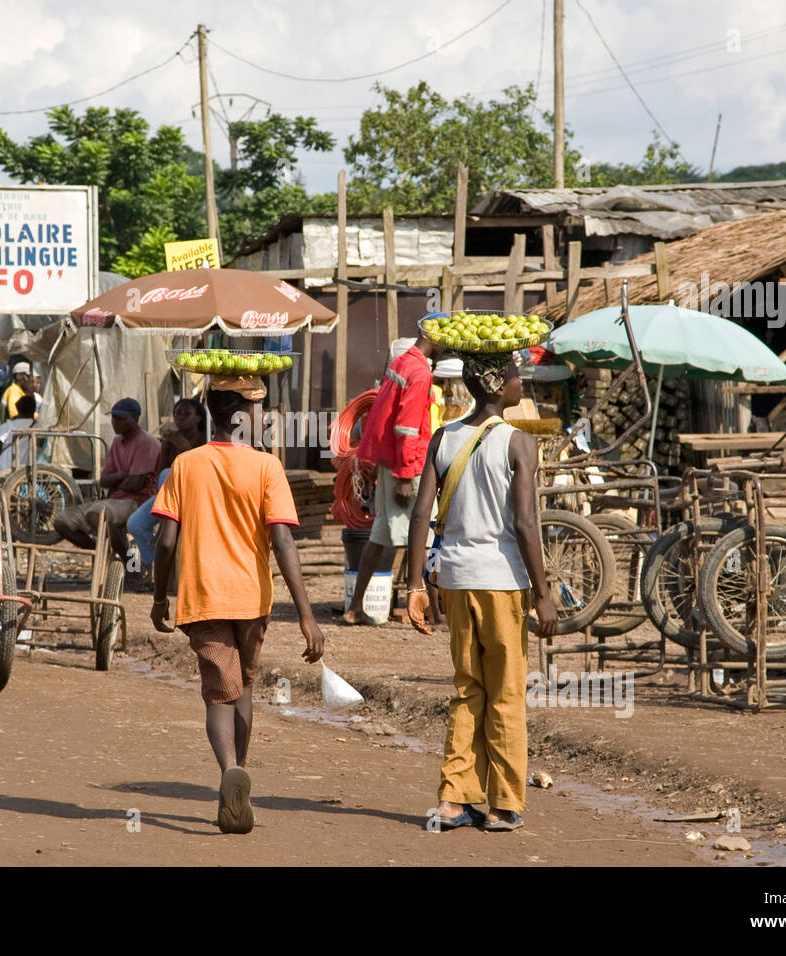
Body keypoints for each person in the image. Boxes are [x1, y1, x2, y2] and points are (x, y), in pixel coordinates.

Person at [150, 380, 325, 835]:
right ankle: (239, 769)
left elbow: (165, 541)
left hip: (203, 596)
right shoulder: (267, 467)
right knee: (243, 687)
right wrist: (306, 614)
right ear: (241, 416)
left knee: (217, 692)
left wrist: (158, 595)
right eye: (260, 410)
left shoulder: (185, 465)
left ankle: (230, 770)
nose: (265, 417)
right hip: (251, 598)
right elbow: (283, 540)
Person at [405, 353, 558, 833]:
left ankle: (454, 798)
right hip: (503, 582)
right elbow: (526, 523)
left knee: (467, 688)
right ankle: (503, 804)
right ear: (498, 383)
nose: (520, 384)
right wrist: (543, 593)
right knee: (506, 694)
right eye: (516, 376)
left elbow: (419, 515)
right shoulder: (519, 443)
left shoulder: (443, 437)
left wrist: (414, 585)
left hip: (454, 580)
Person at [342, 331, 443, 626]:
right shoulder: (420, 371)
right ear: (434, 339)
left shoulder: (401, 363)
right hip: (406, 465)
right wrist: (405, 474)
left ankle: (354, 607)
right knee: (425, 538)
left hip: (391, 461)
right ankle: (436, 613)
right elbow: (407, 427)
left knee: (380, 535)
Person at [52, 397, 160, 559]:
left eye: (121, 419)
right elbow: (104, 480)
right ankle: (102, 552)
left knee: (96, 515)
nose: (115, 422)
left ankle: (128, 560)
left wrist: (117, 480)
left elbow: (135, 485)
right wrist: (122, 475)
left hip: (137, 501)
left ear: (135, 419)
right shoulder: (117, 442)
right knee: (61, 521)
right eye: (114, 418)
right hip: (115, 499)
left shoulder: (147, 442)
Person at [126, 397, 206, 570]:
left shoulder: (204, 440)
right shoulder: (169, 442)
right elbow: (159, 471)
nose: (181, 417)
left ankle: (164, 523)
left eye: (187, 413)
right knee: (135, 524)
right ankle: (156, 564)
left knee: (168, 472)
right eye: (178, 413)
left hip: (195, 496)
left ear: (198, 418)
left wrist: (182, 444)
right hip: (169, 494)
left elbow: (197, 468)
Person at [0, 394, 37, 484]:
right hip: (28, 466)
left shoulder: (8, 426)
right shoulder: (37, 426)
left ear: (18, 409)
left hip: (6, 466)